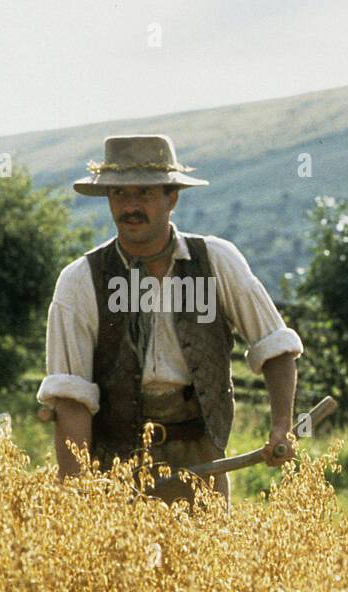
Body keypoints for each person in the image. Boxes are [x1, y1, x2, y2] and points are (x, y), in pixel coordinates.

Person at [36, 134, 304, 507]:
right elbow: (70, 397)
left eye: (143, 194)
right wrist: (75, 491)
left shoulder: (216, 261)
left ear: (171, 197)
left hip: (202, 459)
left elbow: (275, 347)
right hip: (113, 467)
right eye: (119, 195)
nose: (130, 207)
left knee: (204, 563)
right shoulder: (80, 280)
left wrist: (281, 428)